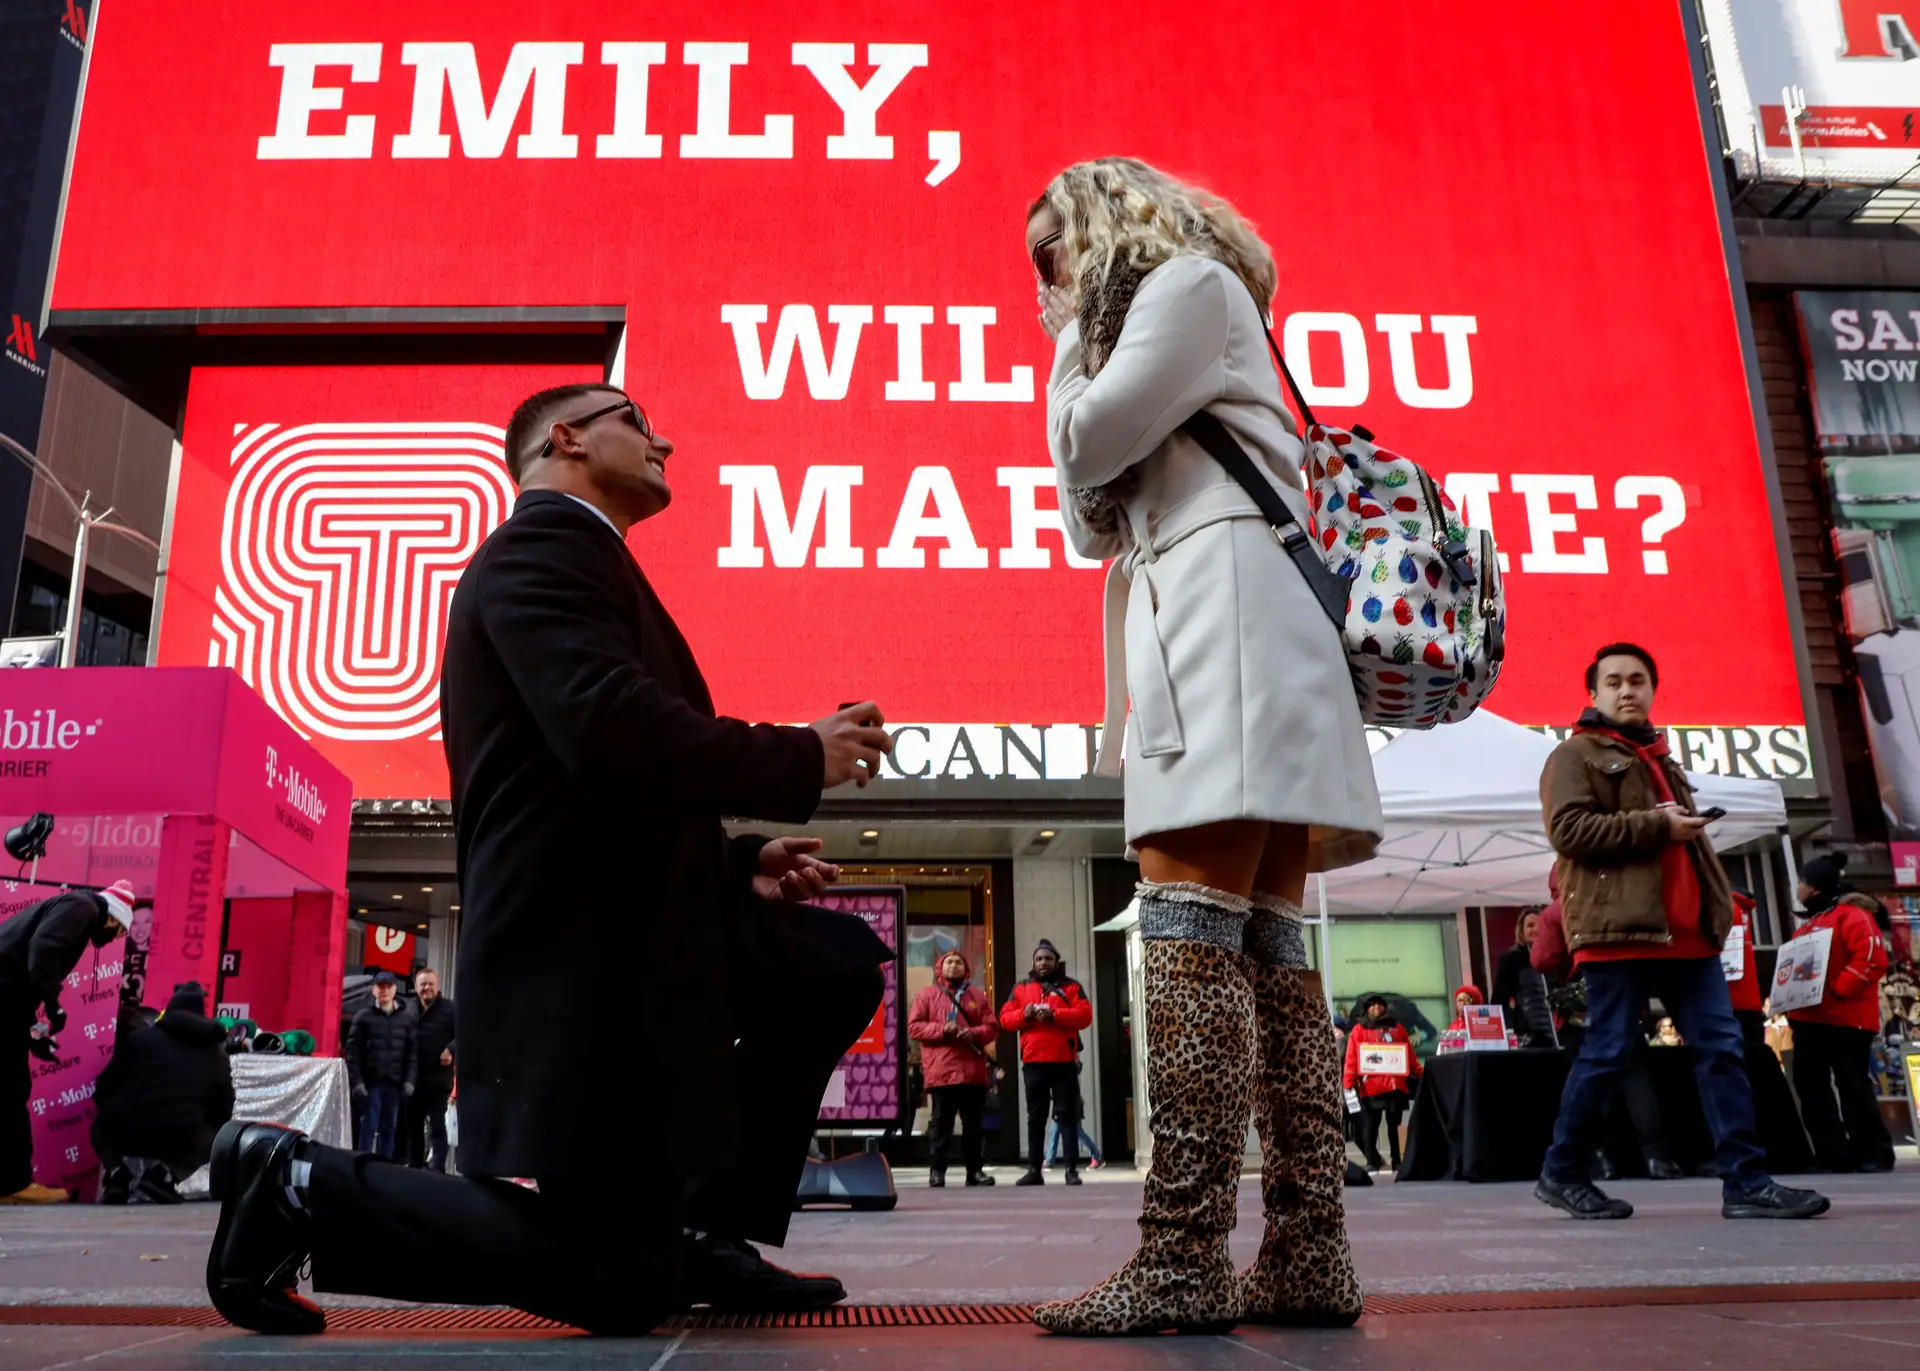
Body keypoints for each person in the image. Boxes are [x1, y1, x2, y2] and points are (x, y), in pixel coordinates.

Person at [203, 382, 896, 1336]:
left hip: (627, 935)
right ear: (567, 438)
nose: (667, 442)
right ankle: (300, 1184)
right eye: (639, 422)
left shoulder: (582, 557)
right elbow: (610, 730)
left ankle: (701, 1221)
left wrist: (737, 863)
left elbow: (591, 782)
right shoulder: (542, 546)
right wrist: (799, 753)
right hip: (580, 961)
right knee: (619, 1286)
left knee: (830, 962)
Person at [1022, 158, 1382, 1336]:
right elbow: (1091, 524)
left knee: (1187, 929)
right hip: (1231, 610)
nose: (1045, 282)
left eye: (1051, 253)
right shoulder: (1189, 312)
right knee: (1268, 952)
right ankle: (1306, 1253)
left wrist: (1071, 339)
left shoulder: (1185, 287)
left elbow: (1083, 453)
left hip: (1224, 607)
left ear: (1102, 225)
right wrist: (1084, 367)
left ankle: (1182, 1256)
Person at [1534, 642, 1828, 1221]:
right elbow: (1568, 831)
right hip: (1617, 931)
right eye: (1614, 681)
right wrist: (1657, 825)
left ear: (1651, 690)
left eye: (1638, 680)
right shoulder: (1575, 755)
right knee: (1609, 1053)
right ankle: (1562, 1170)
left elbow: (1680, 842)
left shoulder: (1660, 760)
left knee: (1723, 1050)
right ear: (1593, 693)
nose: (1626, 690)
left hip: (1689, 934)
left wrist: (1714, 904)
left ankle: (1745, 1182)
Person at [1, 880, 132, 1204]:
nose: (113, 940)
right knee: (11, 1091)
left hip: (8, 1002)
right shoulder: (83, 907)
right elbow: (44, 950)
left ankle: (9, 1181)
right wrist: (54, 1003)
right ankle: (12, 1183)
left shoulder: (73, 908)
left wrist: (35, 1035)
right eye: (119, 932)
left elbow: (24, 980)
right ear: (115, 918)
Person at [1784, 879, 1894, 1173]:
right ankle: (1832, 1152)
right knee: (1811, 1087)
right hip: (1808, 1017)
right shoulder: (1809, 923)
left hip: (1847, 1018)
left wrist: (1837, 989)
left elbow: (1871, 960)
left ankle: (1873, 1152)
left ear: (1816, 887)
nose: (1798, 889)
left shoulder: (1853, 915)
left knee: (1853, 1085)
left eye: (1803, 882)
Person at [94, 980, 234, 1203]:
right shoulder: (216, 1056)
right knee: (217, 1135)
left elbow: (105, 1085)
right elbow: (223, 1108)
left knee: (101, 1125)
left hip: (126, 1132)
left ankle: (116, 1174)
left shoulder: (139, 1040)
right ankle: (164, 1175)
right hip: (179, 1137)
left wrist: (114, 1110)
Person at [998, 941, 1092, 1187]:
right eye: (1039, 959)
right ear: (1033, 962)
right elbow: (1005, 1019)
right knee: (1035, 1118)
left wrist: (1056, 1015)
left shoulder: (1072, 987)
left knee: (1067, 1116)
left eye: (1048, 959)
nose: (1043, 963)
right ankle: (1034, 1170)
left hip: (1064, 1062)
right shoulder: (1020, 988)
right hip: (1033, 1062)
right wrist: (1024, 1015)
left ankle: (1071, 1170)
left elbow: (1085, 1015)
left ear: (1055, 961)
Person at [906, 950, 997, 1187]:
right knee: (940, 1126)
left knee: (973, 1127)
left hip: (972, 1073)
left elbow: (992, 1027)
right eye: (949, 962)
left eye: (958, 962)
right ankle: (937, 1172)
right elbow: (914, 1028)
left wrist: (973, 1033)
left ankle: (974, 1172)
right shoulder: (926, 996)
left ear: (966, 968)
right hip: (941, 1072)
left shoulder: (978, 996)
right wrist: (941, 1029)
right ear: (940, 967)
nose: (954, 966)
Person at [1341, 995, 1421, 1171]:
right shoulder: (1359, 1030)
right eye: (1372, 1005)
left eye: (1380, 1004)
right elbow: (1352, 1059)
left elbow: (1409, 1056)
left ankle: (1396, 1160)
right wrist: (1348, 1083)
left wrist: (1422, 1074)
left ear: (1385, 1007)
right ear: (1366, 1008)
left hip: (1396, 1085)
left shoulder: (1397, 1028)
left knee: (1394, 1125)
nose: (1376, 1007)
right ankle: (1372, 1161)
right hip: (1371, 1086)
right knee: (1371, 1125)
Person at [346, 971, 415, 1160]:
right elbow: (352, 1053)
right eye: (380, 987)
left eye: (388, 986)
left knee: (390, 1127)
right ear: (373, 990)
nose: (384, 990)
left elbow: (412, 1053)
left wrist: (410, 1080)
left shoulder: (407, 1019)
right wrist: (357, 1082)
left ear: (395, 989)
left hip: (395, 1084)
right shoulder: (363, 1017)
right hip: (370, 1084)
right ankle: (361, 1166)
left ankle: (384, 1169)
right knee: (368, 1126)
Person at [405, 969, 456, 1172]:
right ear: (417, 987)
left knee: (437, 1127)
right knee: (414, 1127)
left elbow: (465, 1034)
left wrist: (451, 1049)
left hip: (438, 1079)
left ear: (438, 986)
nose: (427, 988)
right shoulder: (408, 1008)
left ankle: (438, 1169)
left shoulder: (450, 1009)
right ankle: (415, 1166)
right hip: (413, 1079)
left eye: (430, 984)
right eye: (423, 984)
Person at [1493, 911, 1557, 1045]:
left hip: (1559, 1035)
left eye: (1540, 925)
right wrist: (1516, 1024)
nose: (1536, 929)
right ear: (1521, 931)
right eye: (1530, 925)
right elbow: (1498, 1002)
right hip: (1529, 1040)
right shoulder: (1511, 960)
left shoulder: (1554, 956)